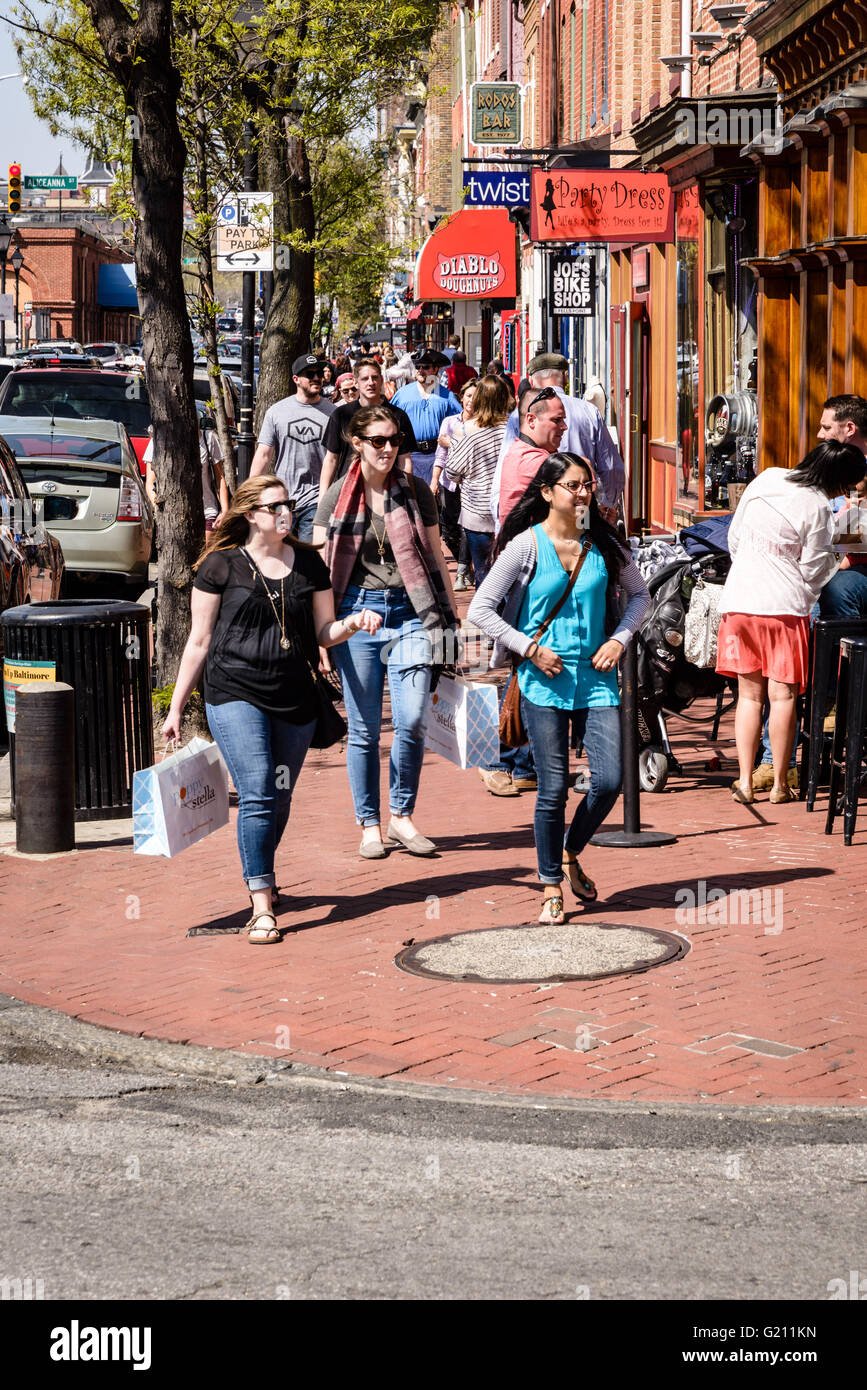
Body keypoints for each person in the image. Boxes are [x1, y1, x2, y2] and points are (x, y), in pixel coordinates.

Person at [161, 475, 382, 945]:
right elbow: (198, 642)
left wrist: (353, 624)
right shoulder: (221, 566)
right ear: (250, 515)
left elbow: (323, 632)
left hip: (295, 695)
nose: (286, 512)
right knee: (258, 790)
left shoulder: (307, 564)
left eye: (288, 503)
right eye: (275, 505)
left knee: (279, 796)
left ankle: (261, 866)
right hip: (234, 690)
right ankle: (261, 902)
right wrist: (176, 707)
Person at [468, 453, 650, 923]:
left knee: (610, 779)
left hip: (596, 677)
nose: (584, 492)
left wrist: (619, 638)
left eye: (587, 484)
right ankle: (550, 883)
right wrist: (528, 649)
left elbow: (641, 595)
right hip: (542, 680)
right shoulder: (525, 548)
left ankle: (570, 850)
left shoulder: (604, 543)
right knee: (552, 788)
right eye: (573, 485)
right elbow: (481, 609)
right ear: (548, 492)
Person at [313, 405, 457, 860]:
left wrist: (450, 625)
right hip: (356, 615)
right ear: (356, 442)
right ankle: (369, 823)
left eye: (394, 440)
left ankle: (402, 815)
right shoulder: (336, 494)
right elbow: (320, 566)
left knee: (412, 719)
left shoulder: (415, 491)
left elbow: (436, 555)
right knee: (365, 729)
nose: (388, 448)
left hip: (412, 612)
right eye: (377, 440)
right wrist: (323, 631)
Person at [716, 440, 867, 806]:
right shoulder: (817, 504)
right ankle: (781, 783)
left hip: (739, 599)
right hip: (782, 606)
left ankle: (746, 780)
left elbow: (734, 538)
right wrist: (837, 557)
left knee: (749, 698)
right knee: (782, 697)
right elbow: (814, 568)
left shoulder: (767, 478)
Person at [477, 384, 569, 797]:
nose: (563, 426)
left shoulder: (519, 451)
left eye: (564, 419)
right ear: (531, 420)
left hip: (529, 570)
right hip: (529, 573)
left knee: (526, 665)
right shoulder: (538, 462)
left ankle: (522, 760)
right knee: (527, 665)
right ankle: (502, 756)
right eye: (556, 419)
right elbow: (573, 513)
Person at [491, 353, 625, 523]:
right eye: (557, 420)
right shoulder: (589, 411)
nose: (563, 426)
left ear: (531, 381)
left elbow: (504, 472)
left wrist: (499, 520)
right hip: (576, 514)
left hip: (538, 518)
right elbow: (611, 467)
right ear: (565, 377)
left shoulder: (520, 416)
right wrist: (608, 504)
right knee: (583, 543)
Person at [250, 354, 334, 542]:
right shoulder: (276, 412)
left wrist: (326, 498)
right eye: (310, 374)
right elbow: (264, 455)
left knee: (308, 555)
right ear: (296, 379)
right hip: (282, 500)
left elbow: (336, 458)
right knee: (282, 552)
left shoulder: (333, 413)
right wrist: (250, 494)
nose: (316, 378)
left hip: (316, 499)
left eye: (319, 373)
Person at [445, 374, 511, 587]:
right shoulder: (515, 430)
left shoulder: (467, 431)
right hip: (509, 508)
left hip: (478, 511)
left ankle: (489, 616)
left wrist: (454, 443)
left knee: (484, 574)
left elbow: (452, 472)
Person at [319, 358, 416, 495]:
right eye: (365, 379)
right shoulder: (341, 415)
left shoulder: (398, 416)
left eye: (375, 377)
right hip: (348, 491)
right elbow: (331, 459)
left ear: (382, 380)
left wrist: (409, 496)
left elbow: (404, 461)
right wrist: (323, 499)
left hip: (389, 491)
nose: (371, 383)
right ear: (356, 383)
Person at [432, 378, 477, 591]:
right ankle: (465, 562)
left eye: (476, 397)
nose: (472, 401)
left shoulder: (482, 425)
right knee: (449, 528)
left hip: (472, 484)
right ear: (461, 398)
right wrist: (434, 482)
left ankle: (462, 568)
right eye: (468, 396)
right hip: (448, 483)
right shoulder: (450, 422)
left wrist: (452, 443)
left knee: (467, 525)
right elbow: (440, 456)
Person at [390, 352, 461, 485]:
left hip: (438, 456)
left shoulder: (447, 396)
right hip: (409, 456)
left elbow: (462, 422)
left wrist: (452, 441)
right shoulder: (402, 394)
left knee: (436, 502)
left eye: (426, 367)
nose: (420, 371)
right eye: (418, 367)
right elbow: (387, 419)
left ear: (435, 369)